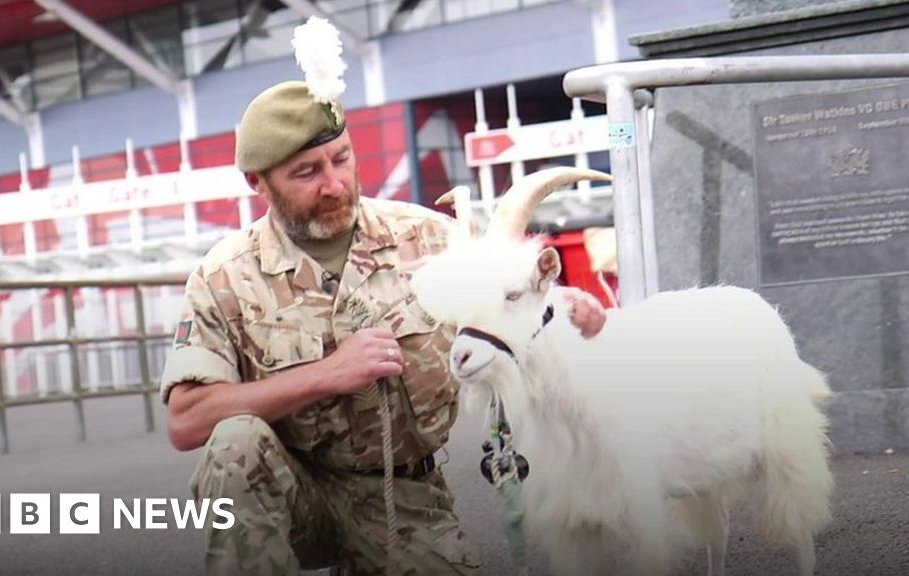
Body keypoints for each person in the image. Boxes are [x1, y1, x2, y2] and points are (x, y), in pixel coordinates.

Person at [160, 80, 607, 575]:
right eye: (307, 172)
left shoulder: (430, 239)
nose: (334, 184)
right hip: (290, 493)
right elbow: (187, 420)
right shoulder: (224, 276)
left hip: (403, 499)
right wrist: (327, 374)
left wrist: (561, 305)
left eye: (342, 158)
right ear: (257, 182)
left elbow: (509, 301)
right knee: (235, 443)